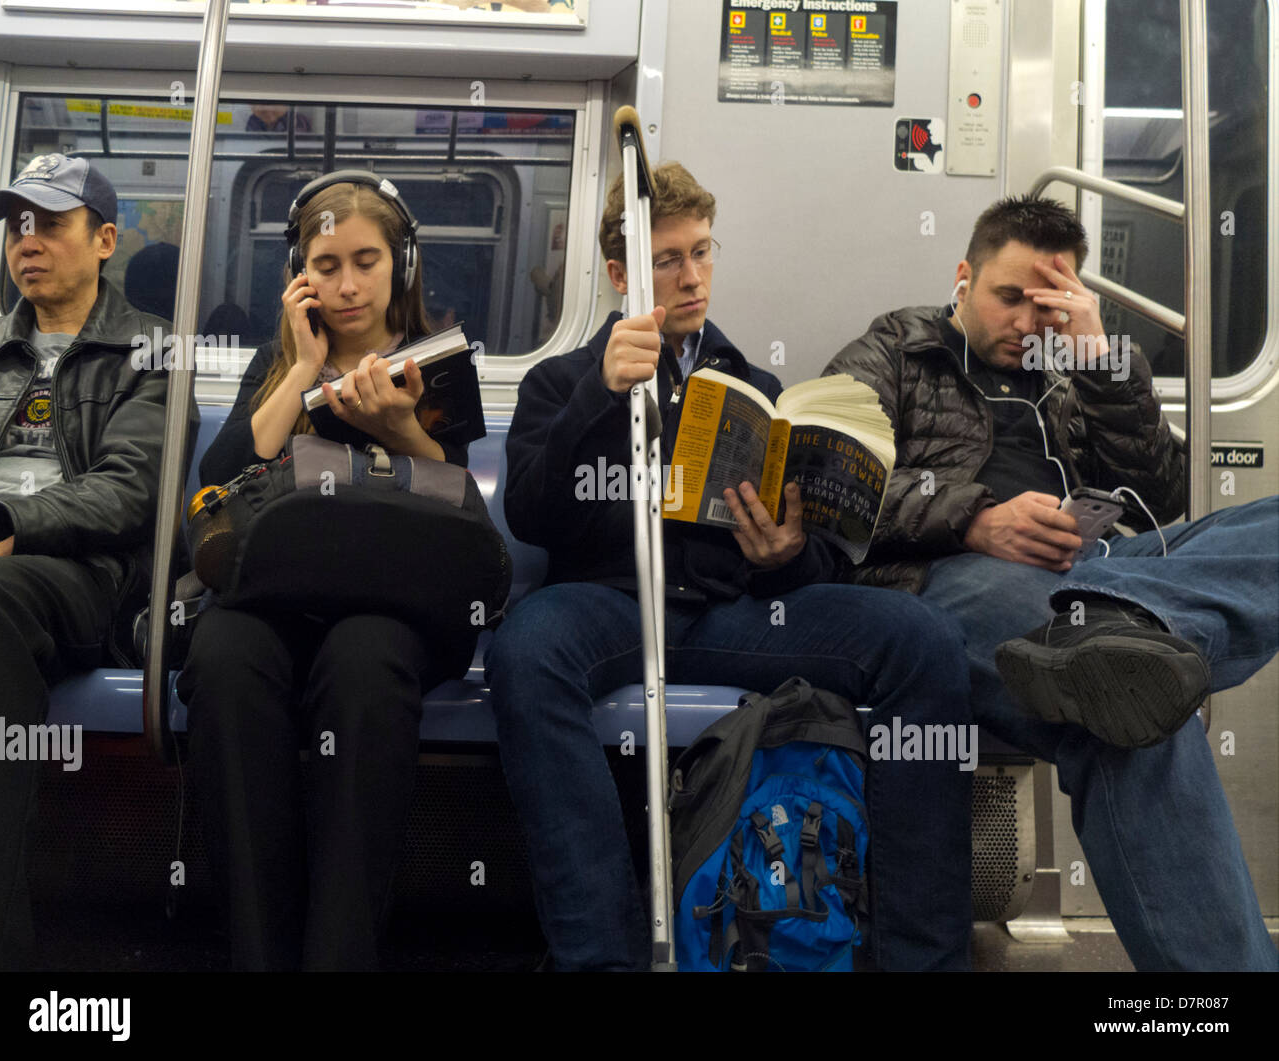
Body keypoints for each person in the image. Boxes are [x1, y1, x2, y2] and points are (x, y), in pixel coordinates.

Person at [486, 161, 975, 972]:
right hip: (608, 606)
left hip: (737, 610)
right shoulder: (559, 382)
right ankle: (603, 953)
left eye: (703, 252)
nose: (692, 276)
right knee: (525, 653)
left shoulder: (755, 383)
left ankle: (920, 956)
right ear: (621, 274)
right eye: (668, 259)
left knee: (922, 642)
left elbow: (817, 551)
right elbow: (532, 514)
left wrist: (786, 557)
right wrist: (598, 398)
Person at [823, 194, 1278, 971]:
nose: (1026, 323)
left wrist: (1105, 363)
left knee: (1249, 542)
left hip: (1090, 574)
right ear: (963, 278)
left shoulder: (1069, 379)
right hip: (952, 578)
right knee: (1135, 712)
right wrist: (973, 518)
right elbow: (830, 474)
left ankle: (1117, 628)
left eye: (1047, 307)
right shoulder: (898, 347)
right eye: (1008, 298)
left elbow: (1166, 503)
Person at [175, 172, 470, 971]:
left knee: (365, 658)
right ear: (299, 276)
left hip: (393, 606)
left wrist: (404, 428)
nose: (346, 284)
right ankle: (257, 950)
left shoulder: (430, 368)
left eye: (365, 261)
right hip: (278, 598)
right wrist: (302, 371)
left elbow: (461, 515)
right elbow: (220, 482)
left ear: (399, 267)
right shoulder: (279, 371)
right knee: (224, 654)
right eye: (326, 264)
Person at [0, 153, 196, 970]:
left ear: (105, 239)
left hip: (88, 580)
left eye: (50, 223)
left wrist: (6, 520)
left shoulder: (153, 351)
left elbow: (129, 494)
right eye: (16, 226)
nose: (27, 242)